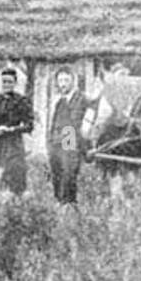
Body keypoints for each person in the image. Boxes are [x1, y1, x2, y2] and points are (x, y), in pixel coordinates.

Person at [0, 67, 34, 198]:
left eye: (10, 82)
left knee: (16, 176)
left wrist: (13, 129)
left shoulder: (22, 102)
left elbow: (29, 125)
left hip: (14, 144)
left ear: (15, 83)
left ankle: (17, 205)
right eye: (4, 81)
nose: (6, 85)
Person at [47, 65, 88, 209]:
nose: (63, 84)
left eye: (66, 80)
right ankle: (59, 202)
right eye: (60, 81)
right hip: (56, 141)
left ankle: (68, 203)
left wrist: (67, 145)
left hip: (70, 138)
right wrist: (51, 142)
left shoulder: (81, 99)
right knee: (56, 172)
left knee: (68, 171)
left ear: (73, 81)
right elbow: (54, 123)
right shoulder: (59, 101)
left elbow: (75, 123)